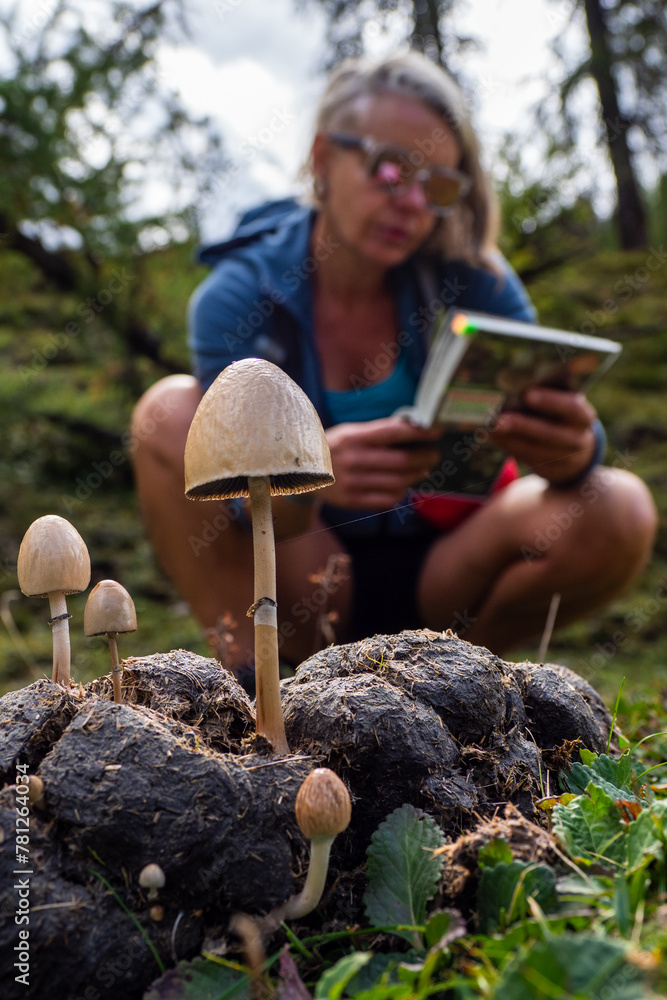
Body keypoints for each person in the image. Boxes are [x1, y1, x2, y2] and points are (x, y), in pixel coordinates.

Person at [131, 51, 656, 684]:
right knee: (165, 415)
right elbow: (241, 507)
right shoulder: (240, 300)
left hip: (450, 565)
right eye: (389, 169)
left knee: (617, 504)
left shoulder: (471, 275)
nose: (412, 202)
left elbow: (552, 405)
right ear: (323, 159)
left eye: (437, 186)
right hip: (307, 569)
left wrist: (575, 448)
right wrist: (311, 475)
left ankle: (462, 689)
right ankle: (249, 684)